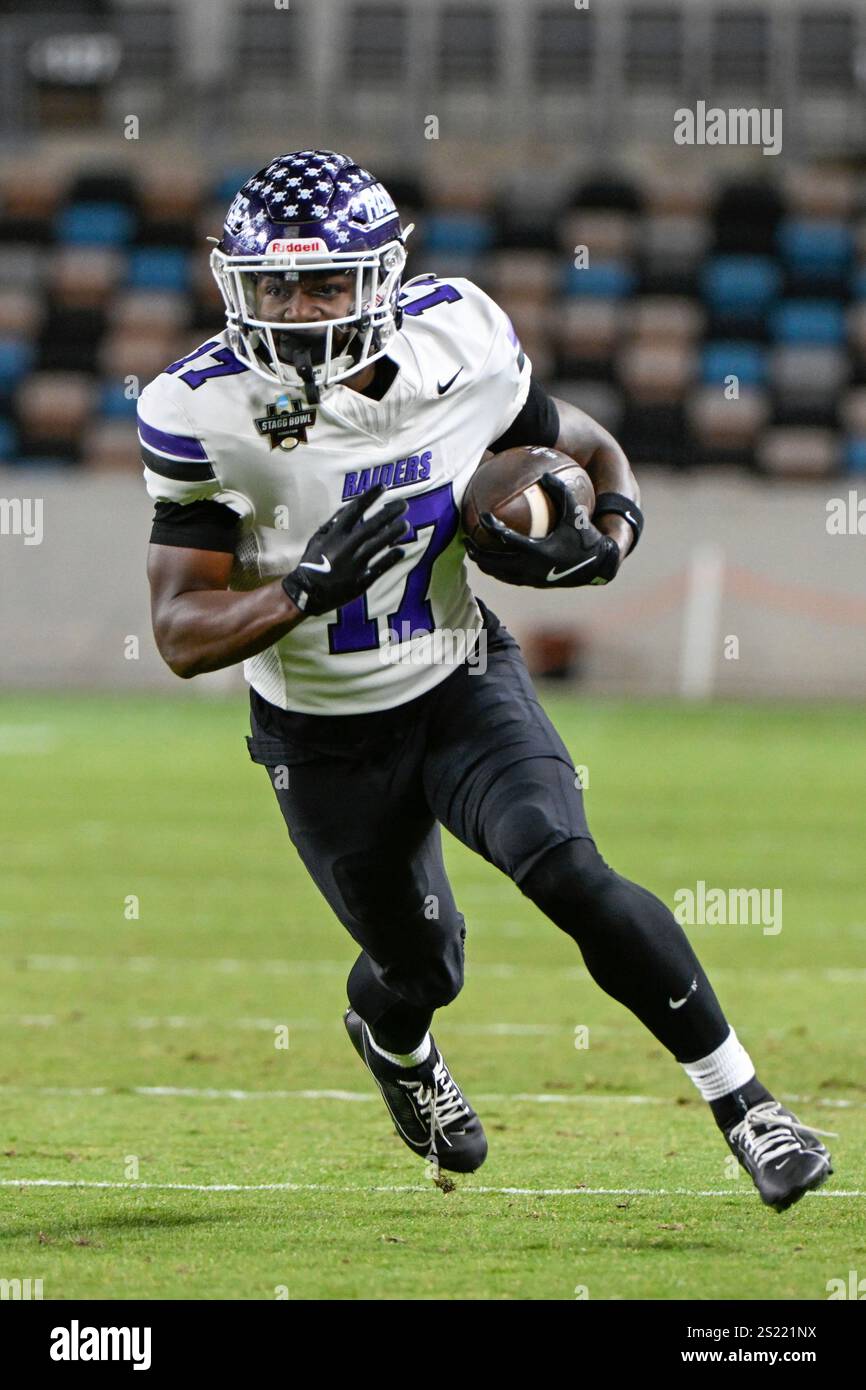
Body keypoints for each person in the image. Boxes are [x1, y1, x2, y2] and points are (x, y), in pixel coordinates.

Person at [141, 150, 831, 1209]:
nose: (294, 306)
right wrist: (300, 591)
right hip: (322, 734)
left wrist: (612, 531)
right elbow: (180, 631)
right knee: (424, 970)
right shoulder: (203, 410)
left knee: (566, 870)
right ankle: (393, 1041)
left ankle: (748, 1108)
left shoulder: (456, 333)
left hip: (462, 677)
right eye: (273, 283)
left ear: (378, 277)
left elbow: (588, 447)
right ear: (237, 283)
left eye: (323, 280)